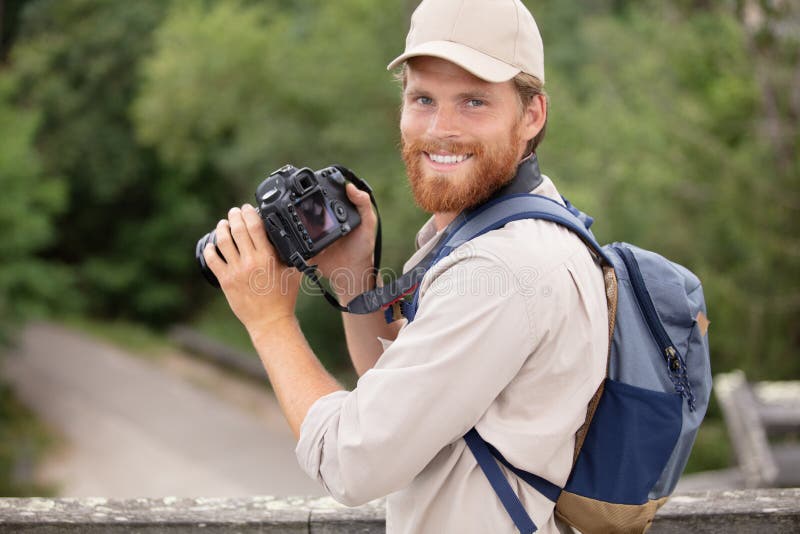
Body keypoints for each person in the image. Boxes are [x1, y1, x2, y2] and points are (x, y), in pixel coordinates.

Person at [202, 0, 608, 532]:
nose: (441, 128)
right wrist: (353, 278)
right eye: (423, 98)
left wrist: (269, 321)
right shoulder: (530, 227)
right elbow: (400, 403)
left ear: (531, 115)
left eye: (473, 102)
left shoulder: (503, 269)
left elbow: (351, 462)